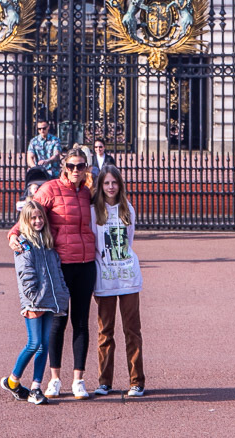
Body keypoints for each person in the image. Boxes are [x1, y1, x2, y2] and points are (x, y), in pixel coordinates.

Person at [8, 144, 96, 400]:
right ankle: (55, 378)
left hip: (85, 263)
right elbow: (30, 214)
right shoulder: (50, 189)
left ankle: (78, 379)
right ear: (64, 168)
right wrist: (14, 233)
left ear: (85, 168)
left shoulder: (86, 192)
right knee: (58, 321)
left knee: (81, 322)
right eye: (71, 166)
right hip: (60, 264)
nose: (76, 170)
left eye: (80, 166)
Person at [1, 199, 69, 406]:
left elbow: (57, 270)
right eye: (33, 218)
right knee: (34, 343)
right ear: (25, 221)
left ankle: (36, 387)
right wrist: (33, 296)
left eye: (41, 217)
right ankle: (13, 380)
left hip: (51, 298)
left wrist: (63, 292)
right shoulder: (23, 243)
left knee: (44, 345)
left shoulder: (47, 242)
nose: (38, 221)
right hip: (34, 301)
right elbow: (26, 274)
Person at [91, 166, 145, 397]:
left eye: (114, 183)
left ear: (120, 185)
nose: (111, 187)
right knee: (105, 331)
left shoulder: (127, 209)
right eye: (106, 183)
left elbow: (129, 240)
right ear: (100, 186)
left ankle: (137, 381)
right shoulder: (94, 211)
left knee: (132, 330)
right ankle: (105, 381)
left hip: (128, 276)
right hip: (104, 277)